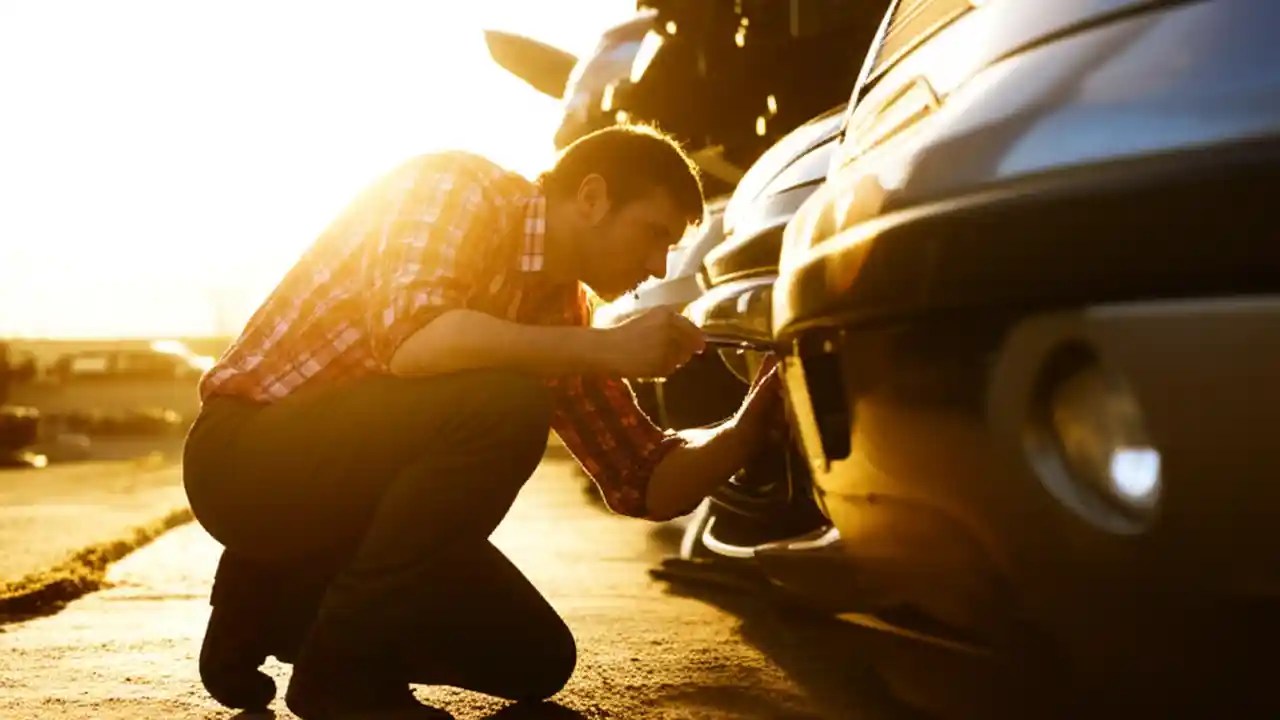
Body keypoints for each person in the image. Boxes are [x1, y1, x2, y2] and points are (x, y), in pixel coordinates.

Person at [183, 124, 784, 719]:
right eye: (653, 235)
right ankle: (340, 675)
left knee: (535, 660)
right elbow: (414, 340)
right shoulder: (456, 188)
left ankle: (269, 601)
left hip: (340, 508)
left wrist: (746, 431)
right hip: (247, 462)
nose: (657, 267)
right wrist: (606, 348)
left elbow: (643, 478)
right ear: (593, 198)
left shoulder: (563, 312)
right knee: (508, 405)